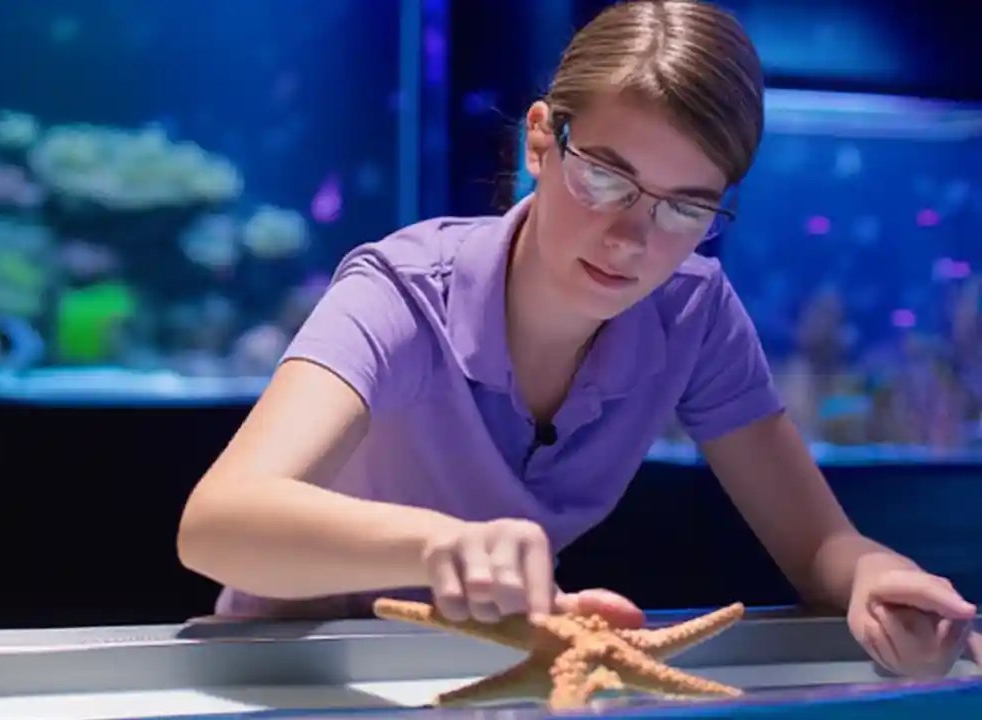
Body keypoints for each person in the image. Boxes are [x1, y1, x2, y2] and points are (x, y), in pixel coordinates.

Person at [177, 0, 978, 679]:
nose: (632, 239)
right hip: (299, 669)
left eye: (684, 208)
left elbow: (820, 546)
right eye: (605, 177)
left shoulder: (692, 311)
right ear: (540, 140)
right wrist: (446, 547)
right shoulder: (399, 293)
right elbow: (218, 526)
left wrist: (878, 573)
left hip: (495, 670)